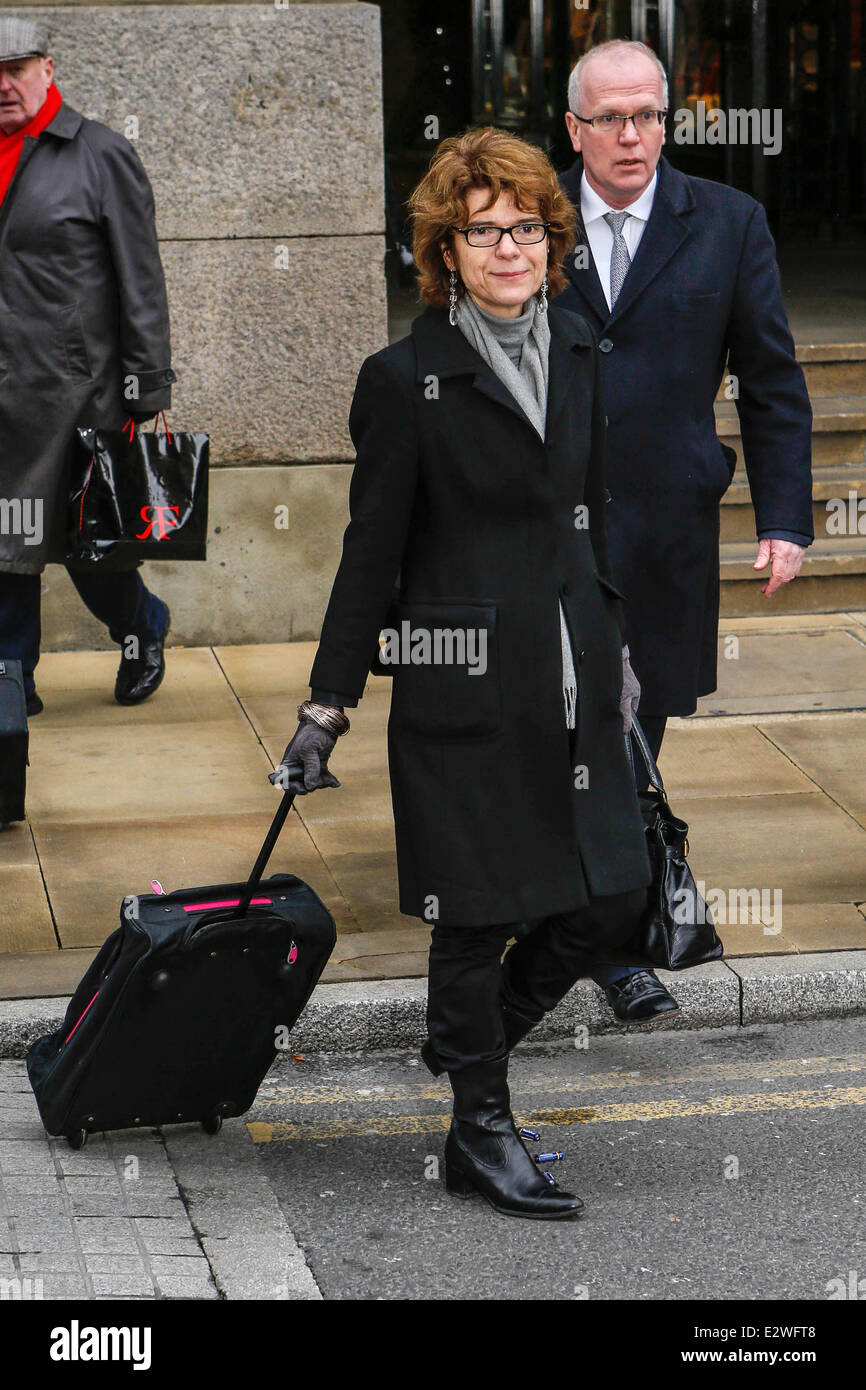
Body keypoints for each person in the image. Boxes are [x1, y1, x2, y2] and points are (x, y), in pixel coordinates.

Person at [270, 127, 653, 1220]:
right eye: (480, 232)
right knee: (477, 917)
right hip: (464, 689)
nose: (506, 249)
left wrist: (612, 652)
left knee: (608, 899)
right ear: (444, 250)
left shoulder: (578, 344)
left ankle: (462, 1060)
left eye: (523, 228)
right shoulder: (403, 380)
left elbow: (581, 519)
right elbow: (368, 554)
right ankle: (480, 1127)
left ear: (550, 238)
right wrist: (325, 704)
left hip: (576, 679)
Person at [556, 39, 813, 1025]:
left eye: (648, 116)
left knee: (632, 734)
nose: (632, 136)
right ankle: (552, 910)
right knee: (549, 725)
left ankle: (618, 945)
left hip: (663, 524)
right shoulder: (521, 218)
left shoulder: (728, 223)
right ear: (573, 128)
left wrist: (783, 517)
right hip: (544, 520)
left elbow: (773, 380)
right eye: (610, 118)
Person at [0, 18, 176, 716]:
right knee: (5, 548)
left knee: (91, 549)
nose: (4, 85)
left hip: (78, 393)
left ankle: (141, 627)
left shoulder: (98, 153)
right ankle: (13, 682)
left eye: (16, 67)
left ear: (47, 68)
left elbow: (141, 281)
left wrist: (147, 389)